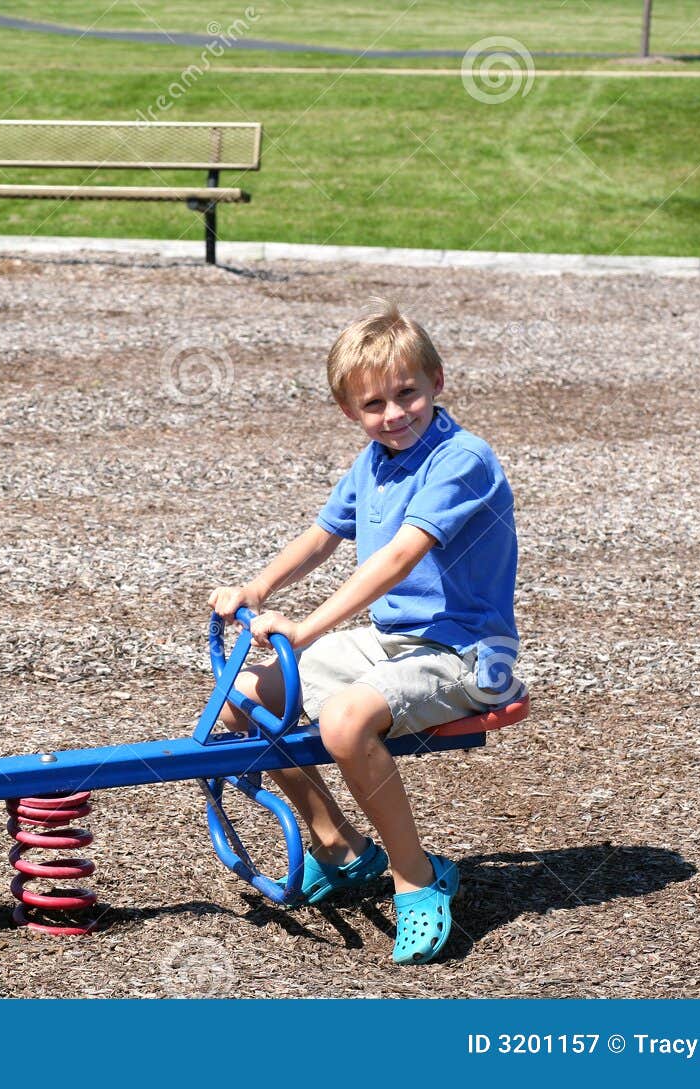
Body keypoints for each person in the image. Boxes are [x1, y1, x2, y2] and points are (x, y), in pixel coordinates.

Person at [208, 300, 520, 964]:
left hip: (467, 653)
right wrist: (258, 588)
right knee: (242, 696)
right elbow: (323, 536)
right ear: (352, 412)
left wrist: (307, 627)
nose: (394, 413)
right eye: (374, 403)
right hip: (394, 641)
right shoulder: (373, 460)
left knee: (346, 720)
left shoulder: (461, 458)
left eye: (407, 392)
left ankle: (417, 877)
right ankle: (341, 848)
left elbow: (399, 557)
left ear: (438, 380)